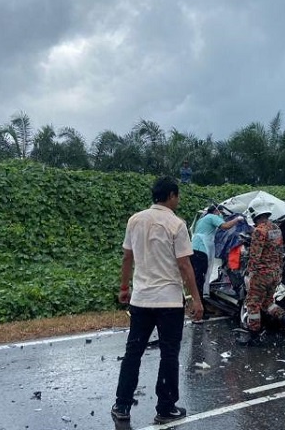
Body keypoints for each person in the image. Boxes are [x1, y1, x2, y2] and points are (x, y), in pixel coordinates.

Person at [111, 176, 203, 425]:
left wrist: (123, 287)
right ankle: (165, 408)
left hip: (141, 299)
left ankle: (122, 405)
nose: (178, 200)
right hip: (169, 302)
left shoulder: (135, 220)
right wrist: (196, 299)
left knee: (133, 352)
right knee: (169, 354)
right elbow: (184, 265)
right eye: (178, 196)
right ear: (171, 196)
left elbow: (127, 258)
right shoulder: (176, 224)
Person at [235, 197, 285, 345]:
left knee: (252, 304)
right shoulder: (276, 229)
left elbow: (255, 256)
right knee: (268, 303)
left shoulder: (259, 231)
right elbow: (279, 251)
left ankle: (254, 336)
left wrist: (250, 273)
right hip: (275, 274)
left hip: (261, 275)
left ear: (255, 215)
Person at [191, 205, 243, 307]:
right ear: (215, 211)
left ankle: (199, 304)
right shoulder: (212, 216)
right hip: (201, 249)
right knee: (200, 278)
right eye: (219, 213)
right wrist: (237, 219)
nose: (220, 215)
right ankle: (200, 307)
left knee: (198, 277)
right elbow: (225, 226)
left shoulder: (202, 219)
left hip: (195, 248)